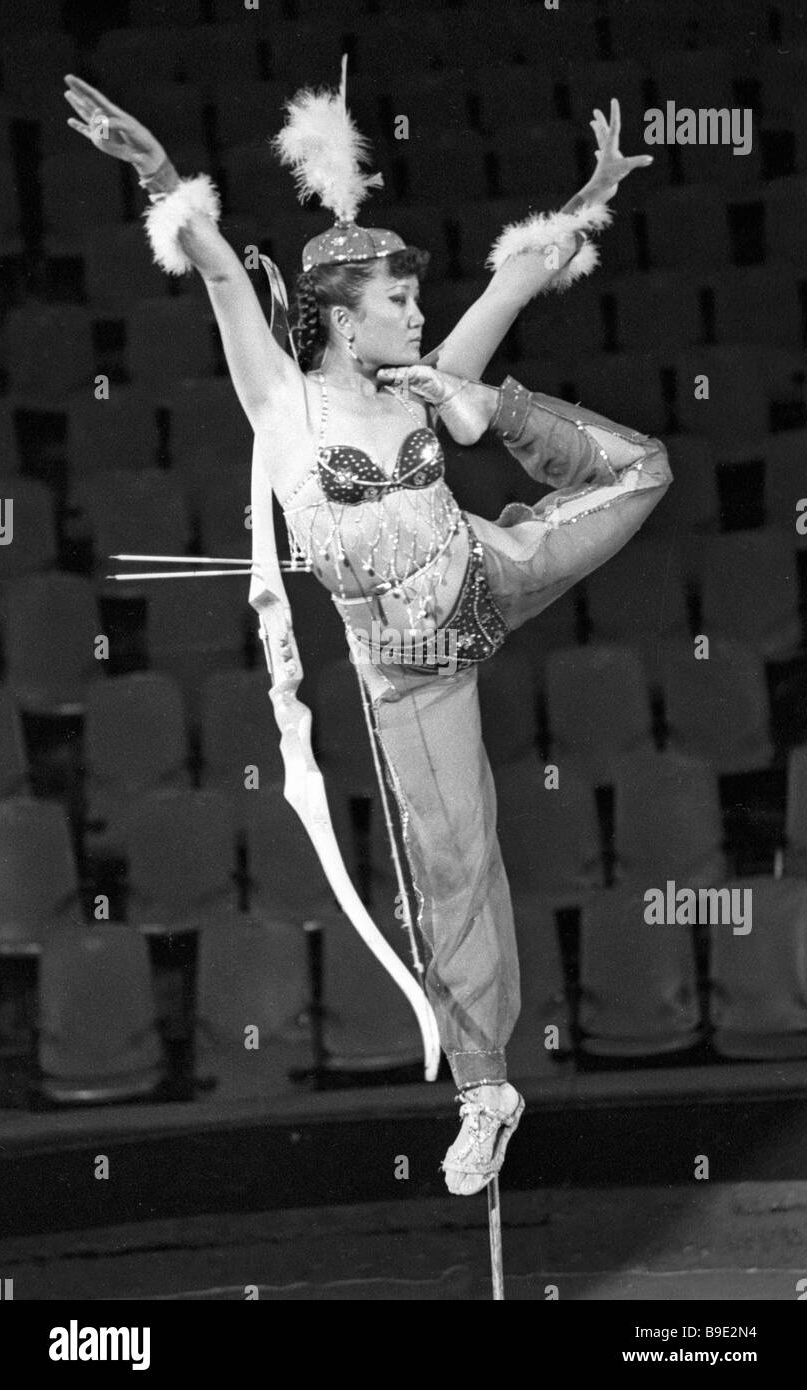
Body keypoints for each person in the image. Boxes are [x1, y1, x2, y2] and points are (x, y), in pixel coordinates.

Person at [64, 68, 668, 1196]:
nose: (419, 314)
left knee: (643, 465)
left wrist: (589, 193)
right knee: (452, 863)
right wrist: (154, 172)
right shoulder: (282, 404)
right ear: (342, 317)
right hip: (410, 673)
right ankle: (486, 1090)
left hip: (492, 568)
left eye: (416, 301)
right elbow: (208, 266)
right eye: (399, 302)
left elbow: (519, 276)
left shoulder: (429, 382)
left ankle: (521, 443)